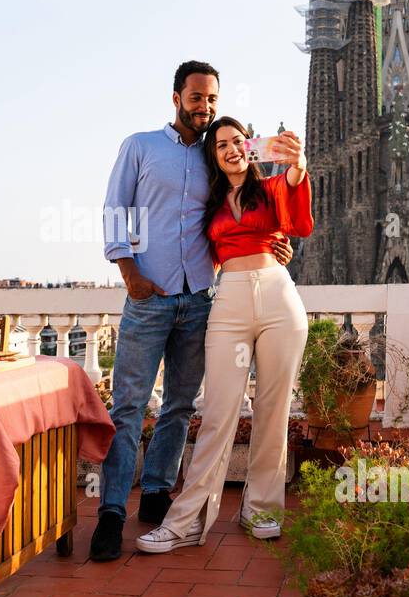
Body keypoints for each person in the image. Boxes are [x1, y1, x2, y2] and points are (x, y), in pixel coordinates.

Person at [94, 62, 292, 562]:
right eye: (196, 97)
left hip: (202, 298)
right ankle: (112, 512)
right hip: (148, 297)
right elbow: (116, 209)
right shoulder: (140, 146)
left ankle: (157, 494)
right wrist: (128, 274)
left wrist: (273, 244)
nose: (204, 106)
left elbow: (254, 184)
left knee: (181, 406)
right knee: (128, 407)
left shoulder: (215, 155)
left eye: (211, 99)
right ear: (176, 97)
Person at [135, 116, 313, 553]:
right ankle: (188, 521)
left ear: (250, 148)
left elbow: (295, 206)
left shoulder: (269, 189)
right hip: (229, 301)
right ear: (213, 158)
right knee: (217, 413)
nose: (231, 149)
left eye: (237, 141)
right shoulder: (209, 206)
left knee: (274, 411)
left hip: (277, 299)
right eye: (221, 145)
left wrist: (298, 163)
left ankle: (263, 509)